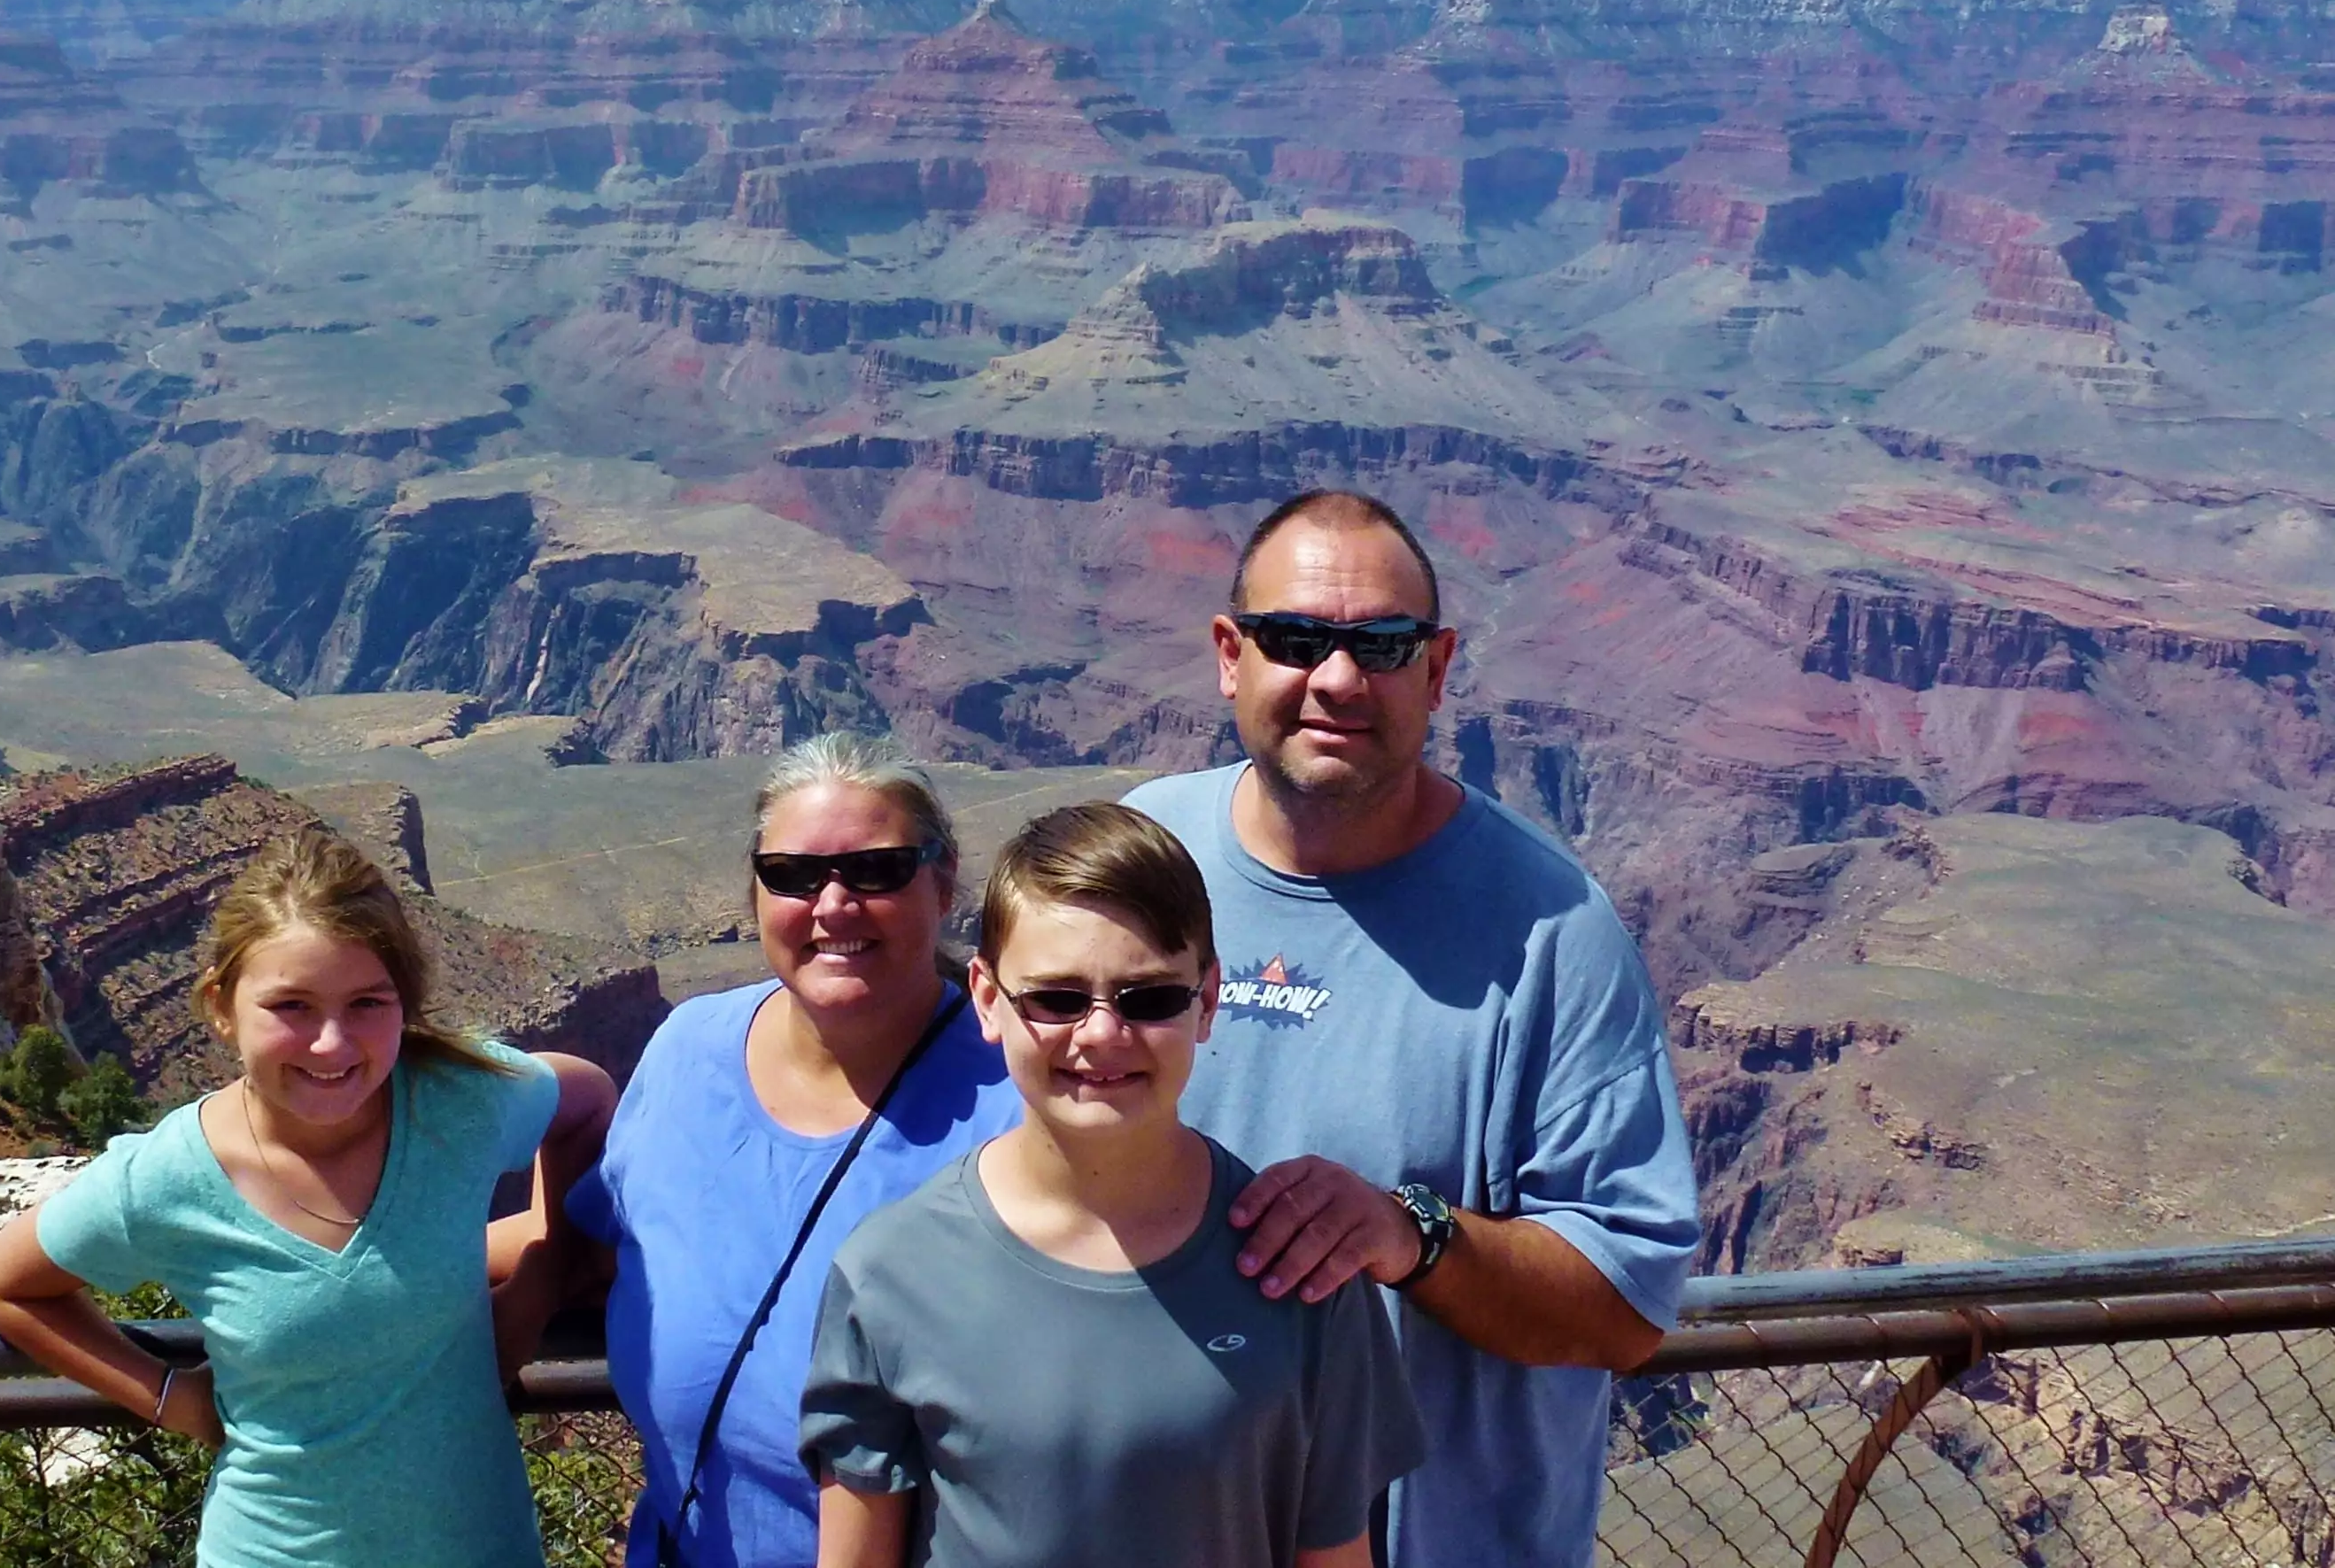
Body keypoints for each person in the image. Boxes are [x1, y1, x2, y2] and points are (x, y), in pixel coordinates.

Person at [1122, 488, 1700, 1568]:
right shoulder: (1144, 857)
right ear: (1228, 653)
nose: (1337, 681)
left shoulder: (1551, 932)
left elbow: (1623, 1310)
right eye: (1297, 640)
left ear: (1434, 672)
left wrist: (1407, 1235)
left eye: (1381, 647)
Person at [0, 821, 615, 1568]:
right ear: (221, 1005)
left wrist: (543, 1271)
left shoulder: (456, 1105)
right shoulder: (168, 1175)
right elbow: (5, 1284)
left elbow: (588, 1102)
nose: (332, 1044)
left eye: (368, 1002)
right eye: (292, 1006)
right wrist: (170, 1397)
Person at [803, 800, 1423, 1568]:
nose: (1101, 1033)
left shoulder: (1300, 1267)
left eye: (1149, 997)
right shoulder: (891, 1275)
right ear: (988, 998)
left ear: (1206, 1000)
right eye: (1057, 998)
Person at [555, 733, 1024, 1568]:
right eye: (794, 875)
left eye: (876, 870)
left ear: (944, 881)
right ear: (756, 888)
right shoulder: (688, 1048)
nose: (833, 904)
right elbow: (596, 1246)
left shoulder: (1020, 1100)